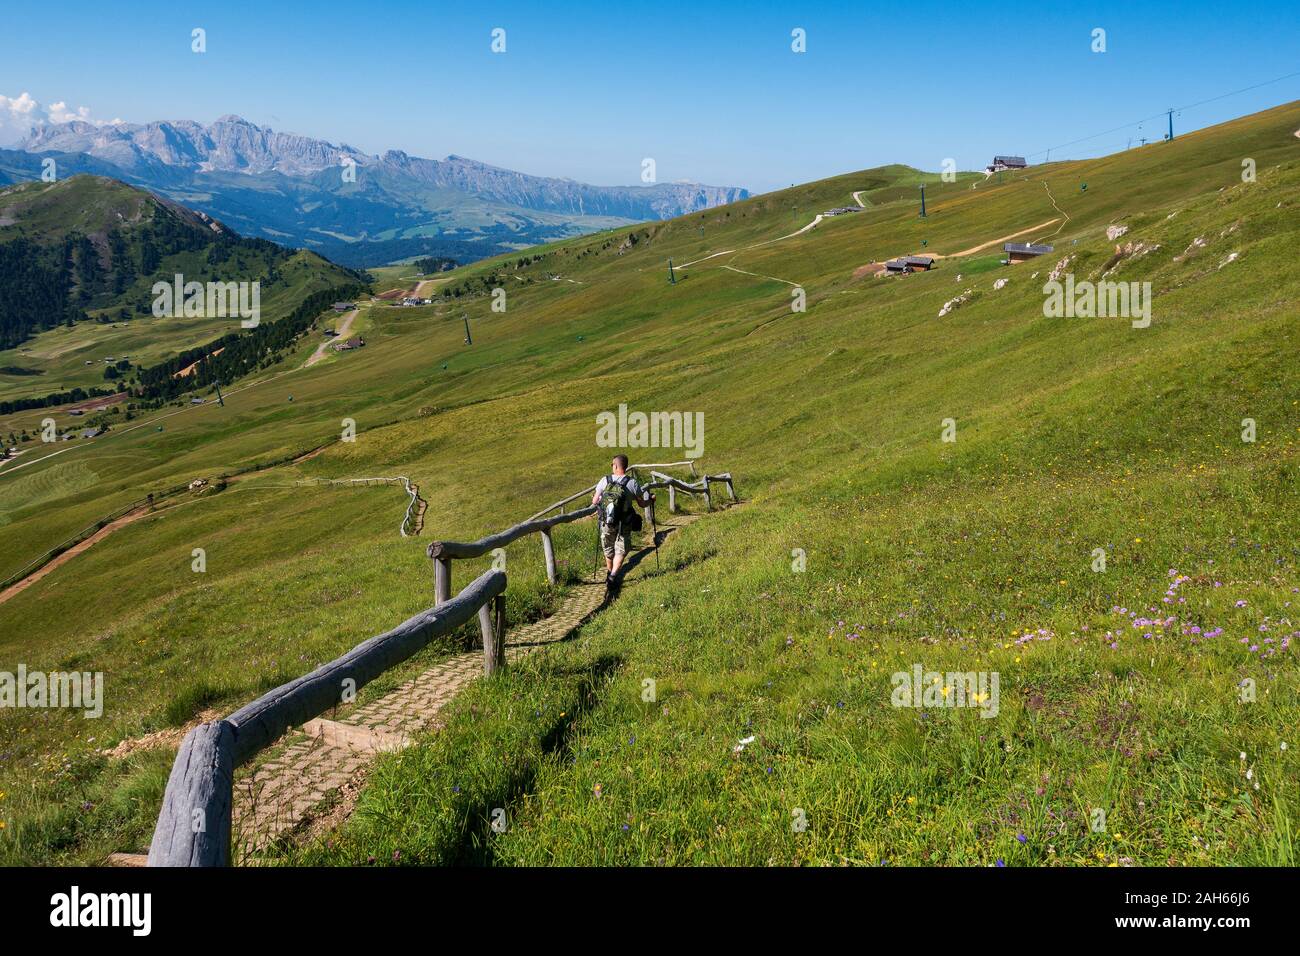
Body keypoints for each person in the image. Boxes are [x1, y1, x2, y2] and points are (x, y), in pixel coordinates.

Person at [591, 454, 652, 591]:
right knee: (621, 550)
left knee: (608, 548)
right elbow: (642, 504)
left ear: (616, 465)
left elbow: (594, 501)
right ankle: (613, 576)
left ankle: (609, 571)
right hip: (623, 523)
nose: (612, 467)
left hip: (606, 522)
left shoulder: (604, 480)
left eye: (612, 465)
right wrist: (651, 500)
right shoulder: (632, 483)